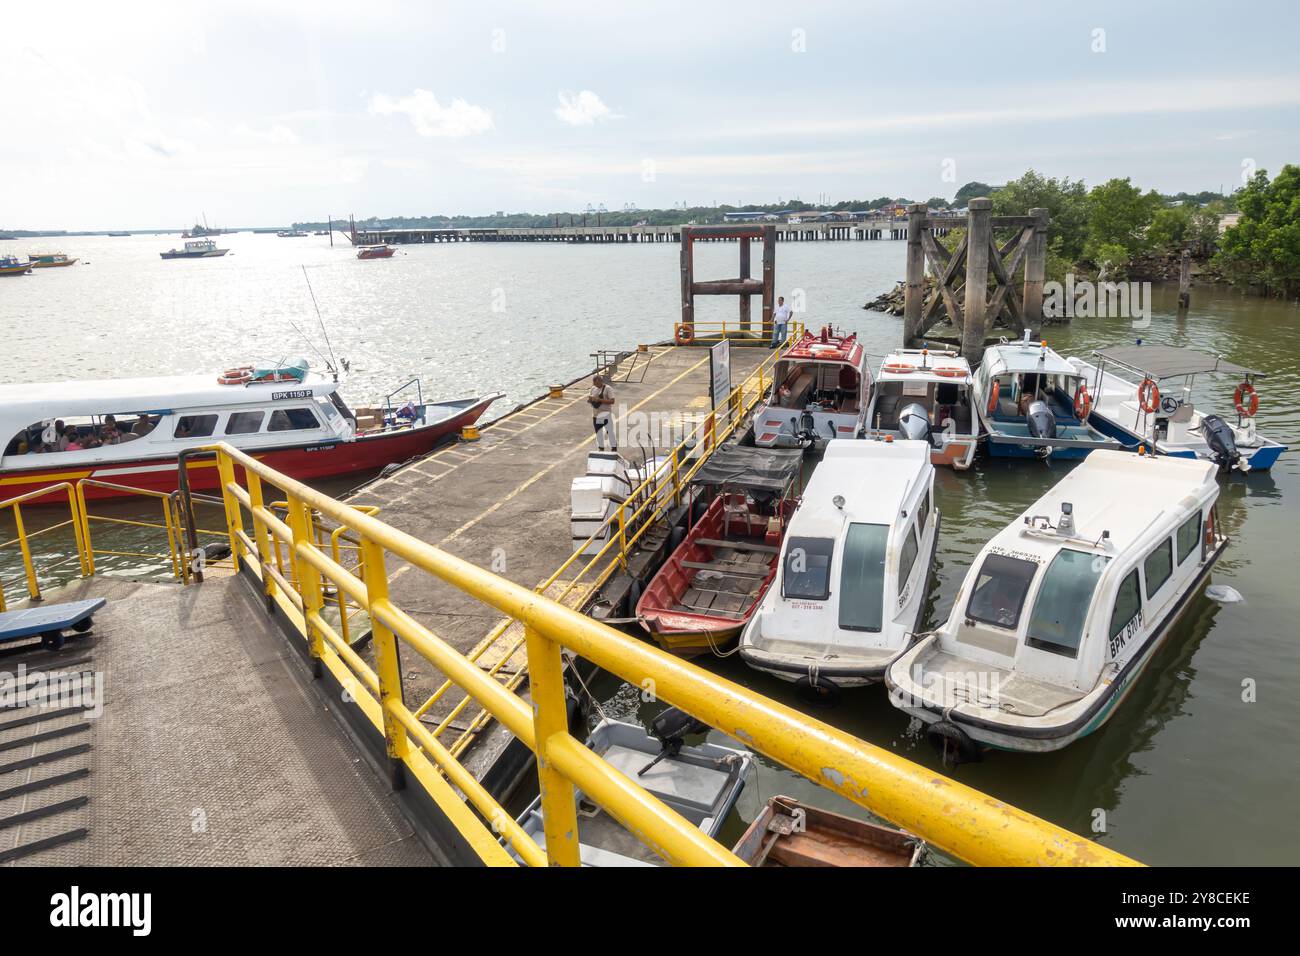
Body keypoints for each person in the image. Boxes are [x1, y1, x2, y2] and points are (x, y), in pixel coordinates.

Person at [588, 374, 617, 452]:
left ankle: (614, 448)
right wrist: (591, 400)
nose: (596, 385)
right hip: (596, 415)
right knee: (598, 433)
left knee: (610, 432)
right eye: (594, 383)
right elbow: (589, 400)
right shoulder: (593, 388)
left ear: (601, 381)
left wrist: (599, 400)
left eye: (597, 383)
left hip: (605, 415)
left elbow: (612, 401)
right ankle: (601, 448)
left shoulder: (607, 389)